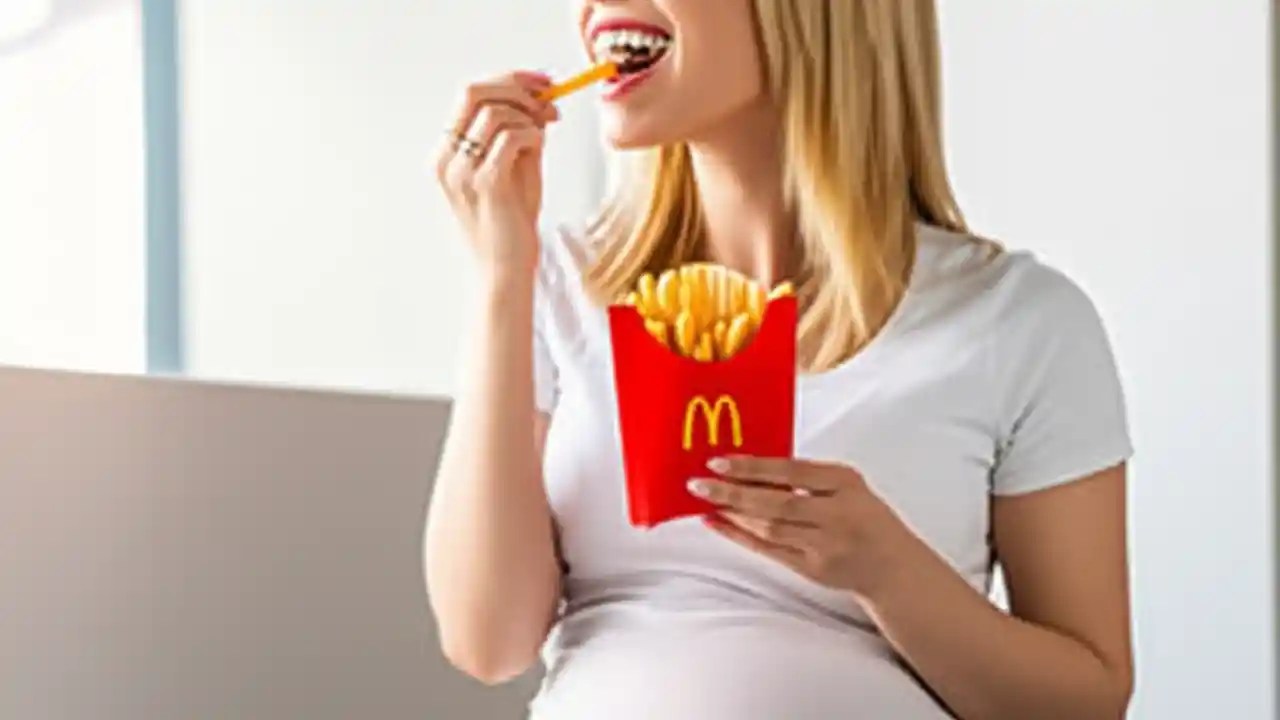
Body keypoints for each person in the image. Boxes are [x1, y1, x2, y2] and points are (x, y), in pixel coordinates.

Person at [425, 1, 1135, 717]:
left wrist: (889, 571)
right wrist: (499, 278)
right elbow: (487, 643)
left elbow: (1086, 706)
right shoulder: (554, 286)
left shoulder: (1019, 322)